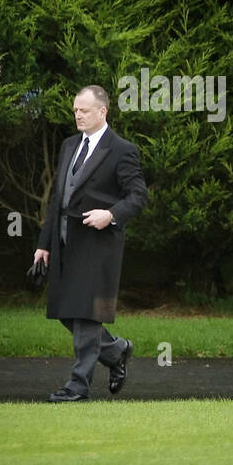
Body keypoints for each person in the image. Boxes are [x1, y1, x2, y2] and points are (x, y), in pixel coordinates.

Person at [33, 85, 148, 402]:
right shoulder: (69, 145)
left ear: (103, 111)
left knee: (86, 315)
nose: (78, 115)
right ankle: (116, 351)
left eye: (83, 110)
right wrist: (44, 243)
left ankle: (78, 385)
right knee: (66, 311)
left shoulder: (123, 150)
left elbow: (138, 197)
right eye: (75, 110)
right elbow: (59, 197)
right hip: (64, 242)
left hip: (99, 245)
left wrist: (110, 214)